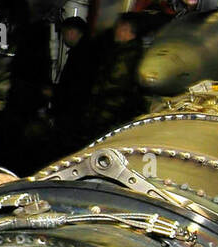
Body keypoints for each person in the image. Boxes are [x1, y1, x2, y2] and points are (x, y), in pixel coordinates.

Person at [54, 13, 149, 152]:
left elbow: (113, 91)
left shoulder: (127, 57)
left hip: (106, 119)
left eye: (118, 27)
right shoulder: (124, 53)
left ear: (125, 29)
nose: (115, 31)